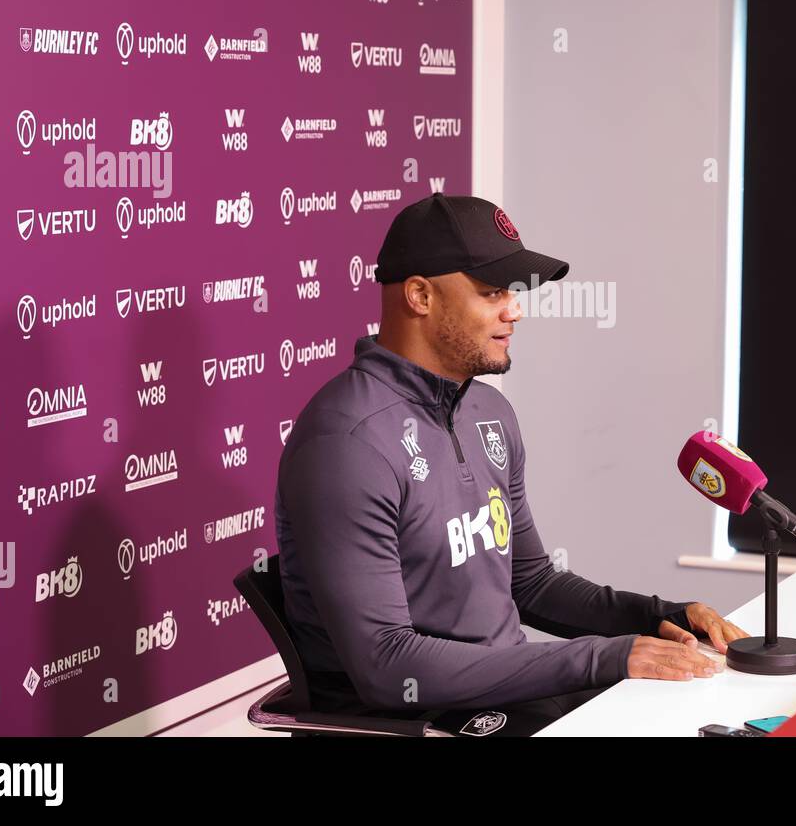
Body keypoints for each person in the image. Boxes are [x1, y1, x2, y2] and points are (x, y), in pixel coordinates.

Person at [274, 194, 749, 735]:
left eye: (514, 292)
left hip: (505, 693)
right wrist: (603, 658)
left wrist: (663, 618)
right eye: (493, 292)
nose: (515, 310)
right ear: (419, 295)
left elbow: (530, 583)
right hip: (416, 719)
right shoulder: (346, 443)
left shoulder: (487, 410)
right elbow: (388, 667)